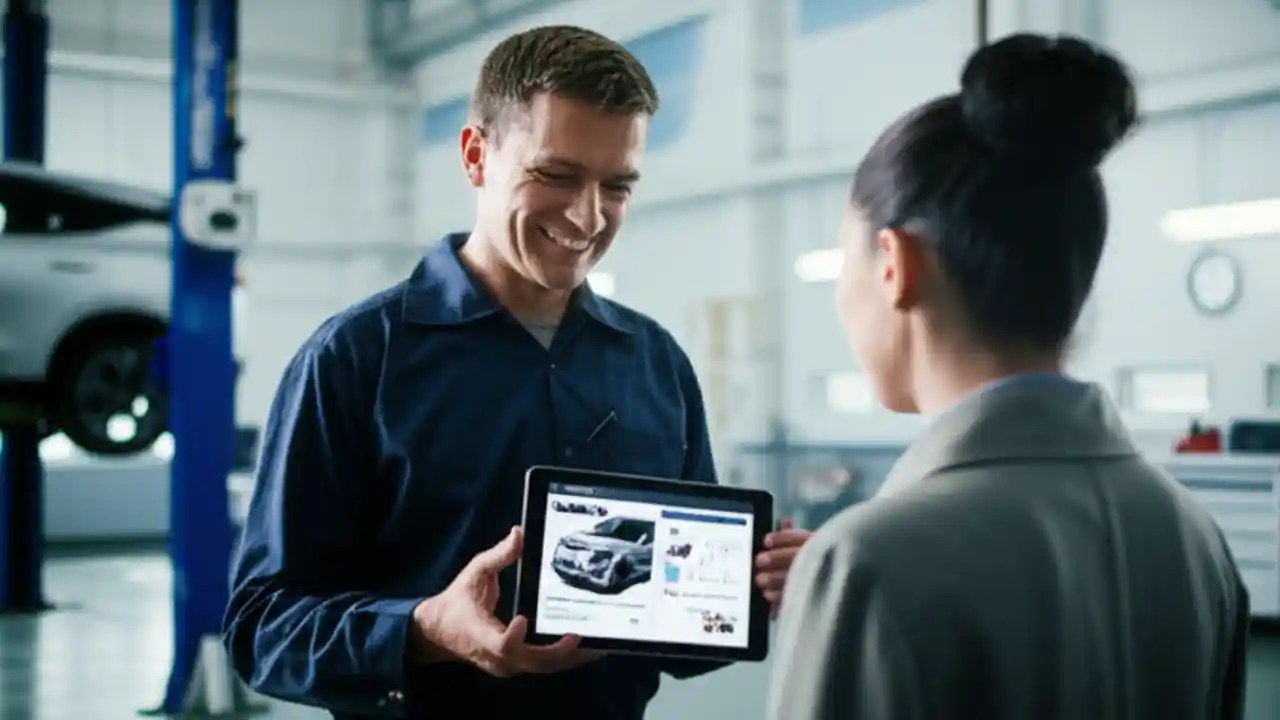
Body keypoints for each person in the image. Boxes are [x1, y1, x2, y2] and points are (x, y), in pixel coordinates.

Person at [222, 24, 810, 720]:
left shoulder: (656, 365)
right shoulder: (355, 360)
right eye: (556, 175)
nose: (588, 215)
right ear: (476, 156)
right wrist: (424, 629)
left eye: (617, 185)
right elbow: (263, 627)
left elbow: (678, 643)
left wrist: (752, 590)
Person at [768, 34, 1249, 720]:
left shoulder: (866, 565)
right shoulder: (1193, 536)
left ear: (893, 265)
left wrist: (850, 582)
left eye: (844, 263)